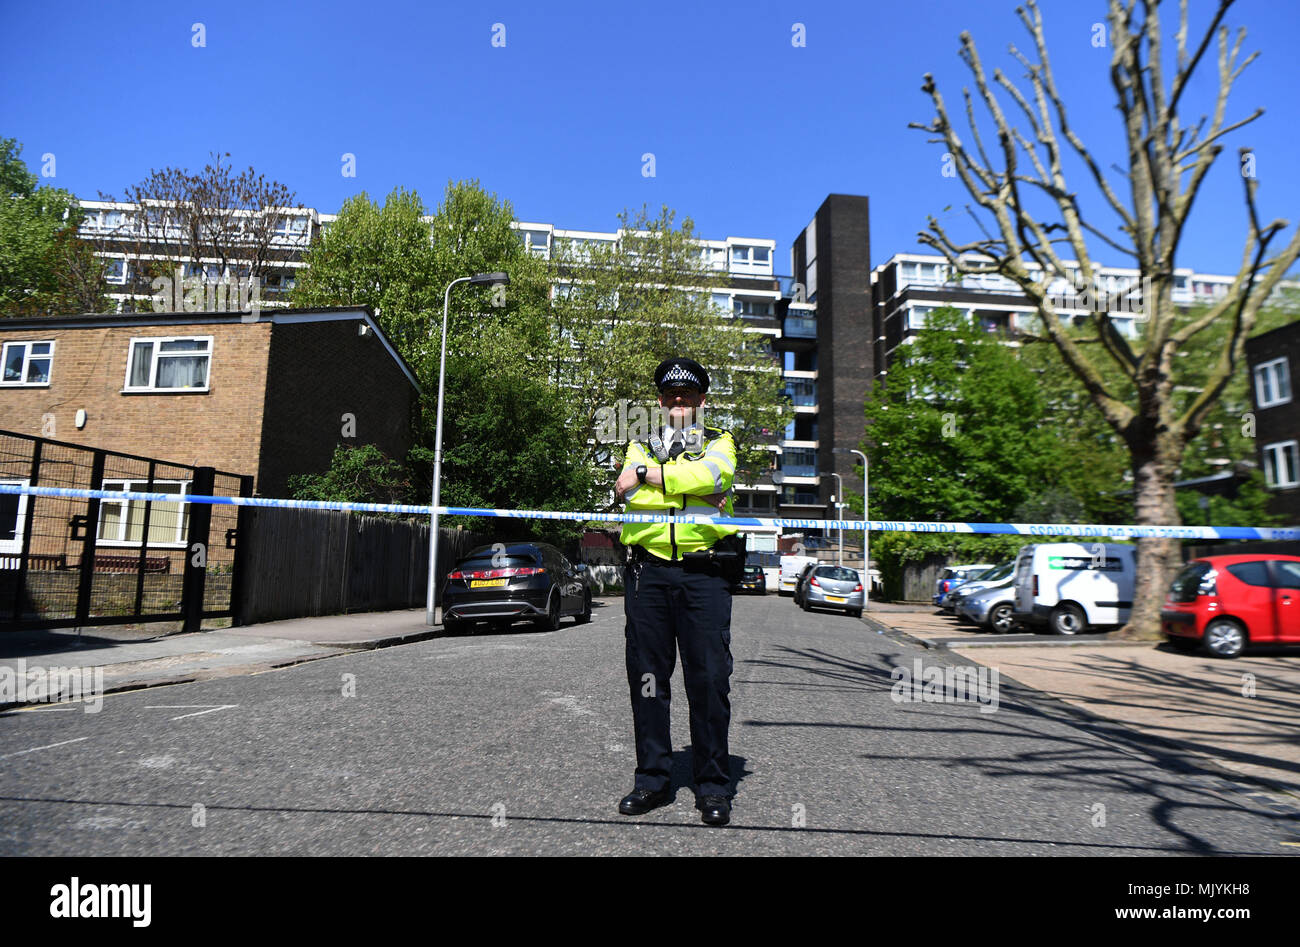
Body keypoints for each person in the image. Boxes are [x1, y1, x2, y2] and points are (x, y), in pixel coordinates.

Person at [612, 356, 741, 826]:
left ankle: (712, 786)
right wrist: (684, 488)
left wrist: (651, 476)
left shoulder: (720, 441)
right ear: (660, 401)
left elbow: (714, 478)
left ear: (702, 400)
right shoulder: (637, 444)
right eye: (670, 394)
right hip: (648, 574)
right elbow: (629, 492)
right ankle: (652, 781)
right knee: (648, 680)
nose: (678, 400)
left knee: (708, 681)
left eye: (688, 394)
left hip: (703, 575)